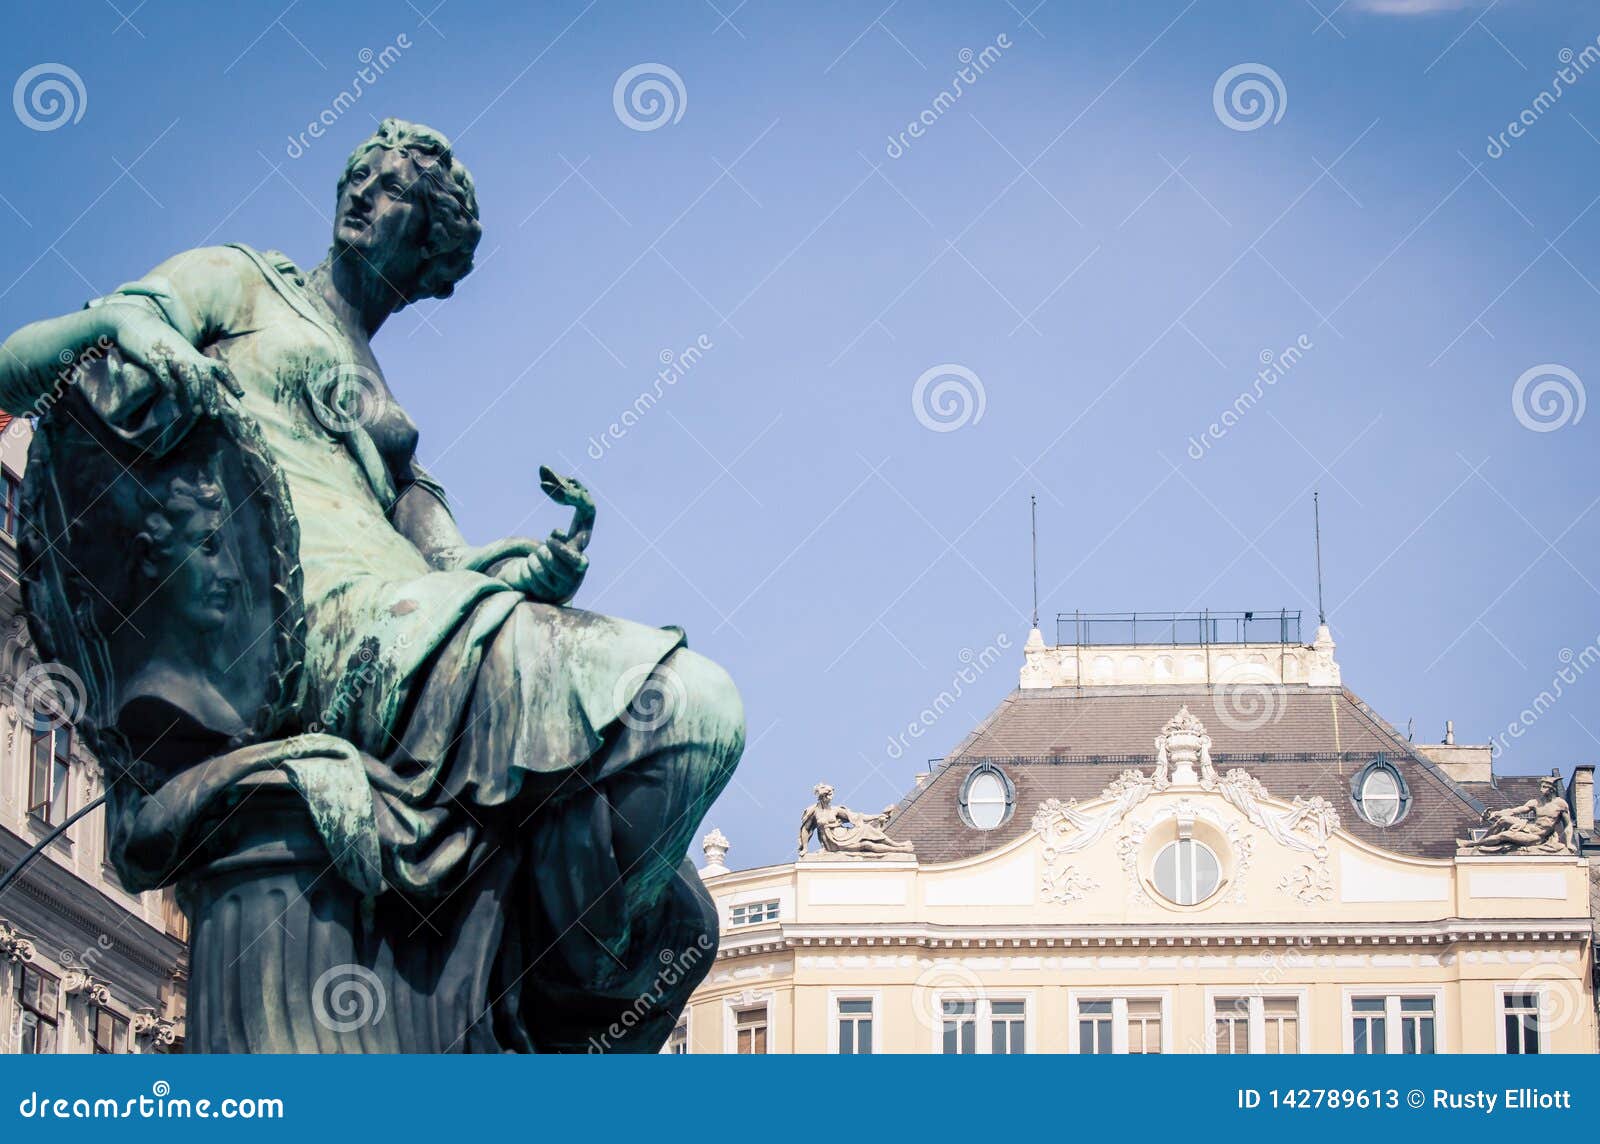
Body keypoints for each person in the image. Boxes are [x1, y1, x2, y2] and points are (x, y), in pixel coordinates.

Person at [0, 118, 743, 1052]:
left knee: (681, 864)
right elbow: (17, 366)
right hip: (301, 630)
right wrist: (121, 327)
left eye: (392, 190)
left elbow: (451, 564)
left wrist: (525, 566)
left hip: (410, 619)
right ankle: (550, 997)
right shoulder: (241, 281)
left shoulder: (394, 429)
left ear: (428, 249)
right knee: (687, 705)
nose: (362, 193)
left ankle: (533, 1008)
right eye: (359, 174)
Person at [798, 782, 914, 856]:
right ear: (821, 796)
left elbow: (858, 817)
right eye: (828, 795)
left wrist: (877, 816)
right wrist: (805, 848)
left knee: (866, 829)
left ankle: (897, 845)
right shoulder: (813, 811)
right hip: (832, 842)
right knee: (866, 845)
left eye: (831, 794)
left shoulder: (836, 810)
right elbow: (805, 829)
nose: (830, 797)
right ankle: (901, 850)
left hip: (844, 835)